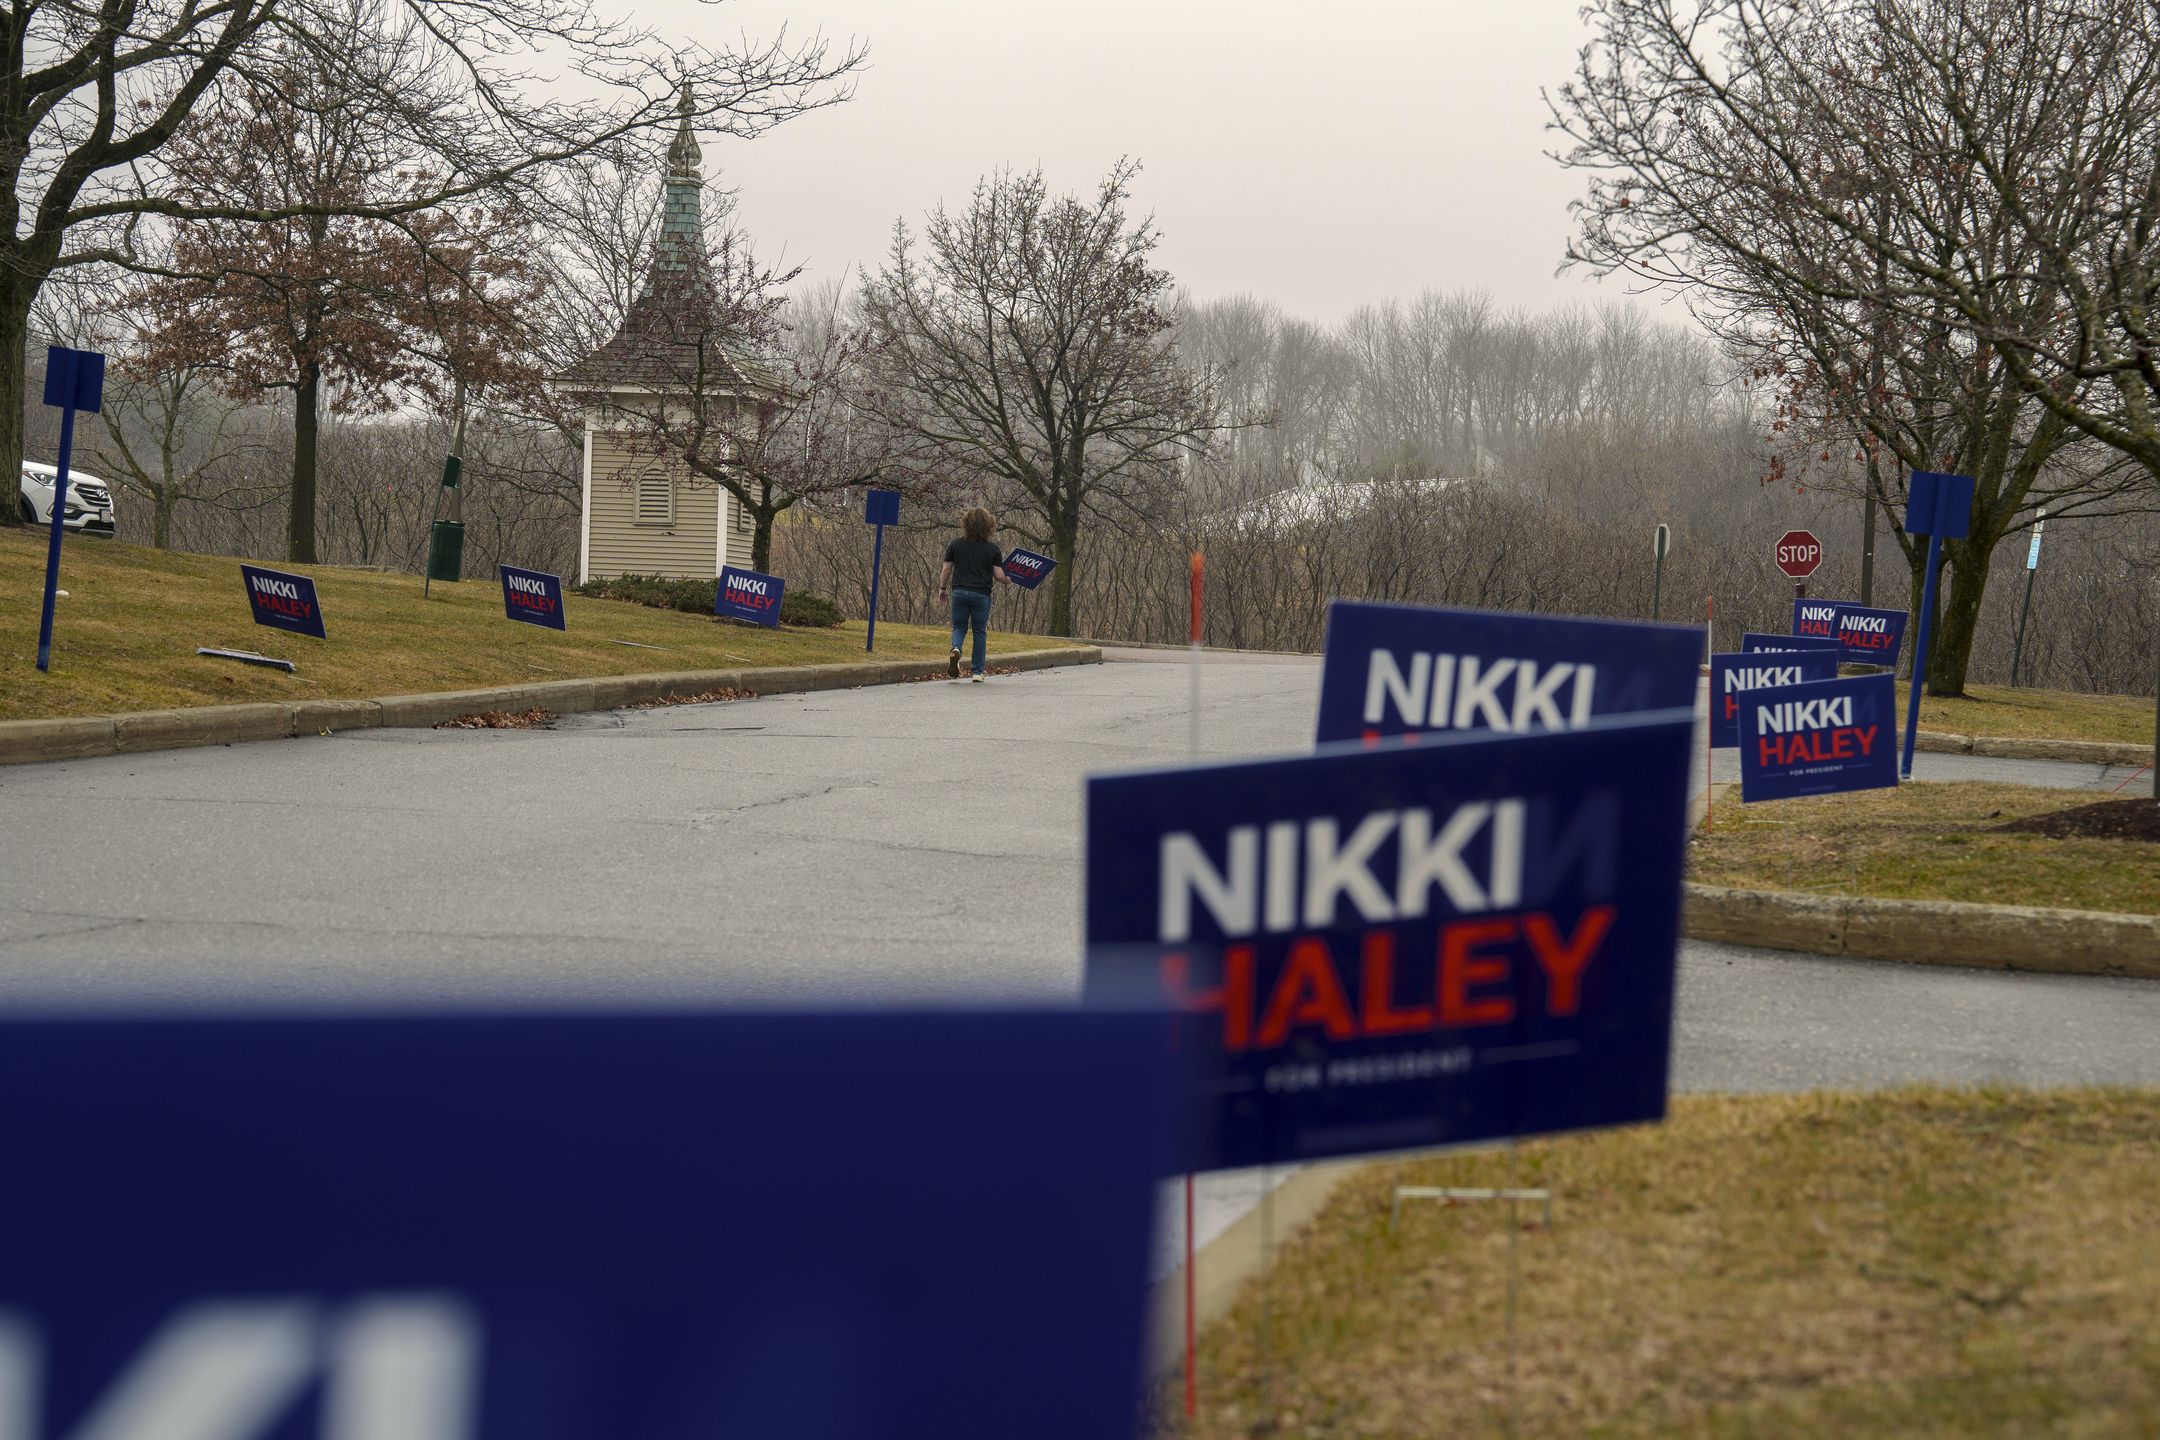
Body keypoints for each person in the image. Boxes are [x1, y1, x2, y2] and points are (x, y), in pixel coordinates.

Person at [938, 507, 1009, 682]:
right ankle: (977, 672)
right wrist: (1008, 580)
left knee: (959, 628)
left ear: (966, 524)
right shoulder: (992, 549)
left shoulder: (956, 544)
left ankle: (956, 649)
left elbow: (947, 568)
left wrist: (942, 588)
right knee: (979, 632)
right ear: (988, 526)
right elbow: (999, 576)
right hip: (981, 595)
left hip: (960, 592)